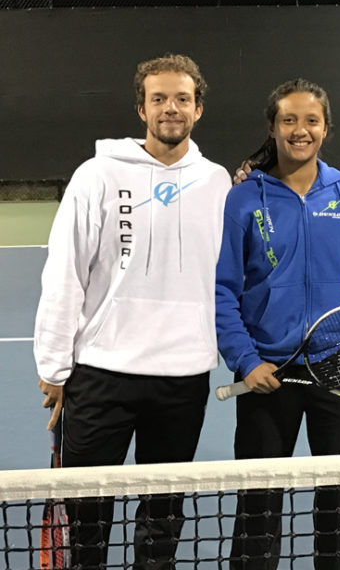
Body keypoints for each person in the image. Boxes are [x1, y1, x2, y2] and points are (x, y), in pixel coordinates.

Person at [34, 53, 231, 569]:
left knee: (162, 518)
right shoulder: (96, 175)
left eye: (182, 99)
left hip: (182, 377)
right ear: (141, 109)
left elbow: (227, 277)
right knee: (88, 518)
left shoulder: (217, 184)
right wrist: (54, 368)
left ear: (199, 109)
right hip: (102, 374)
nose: (171, 108)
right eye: (159, 98)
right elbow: (64, 271)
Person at [214, 78, 340, 570]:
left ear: (326, 128)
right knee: (258, 508)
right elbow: (225, 287)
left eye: (311, 120)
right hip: (269, 372)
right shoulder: (244, 199)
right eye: (288, 120)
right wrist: (246, 362)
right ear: (273, 128)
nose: (300, 130)